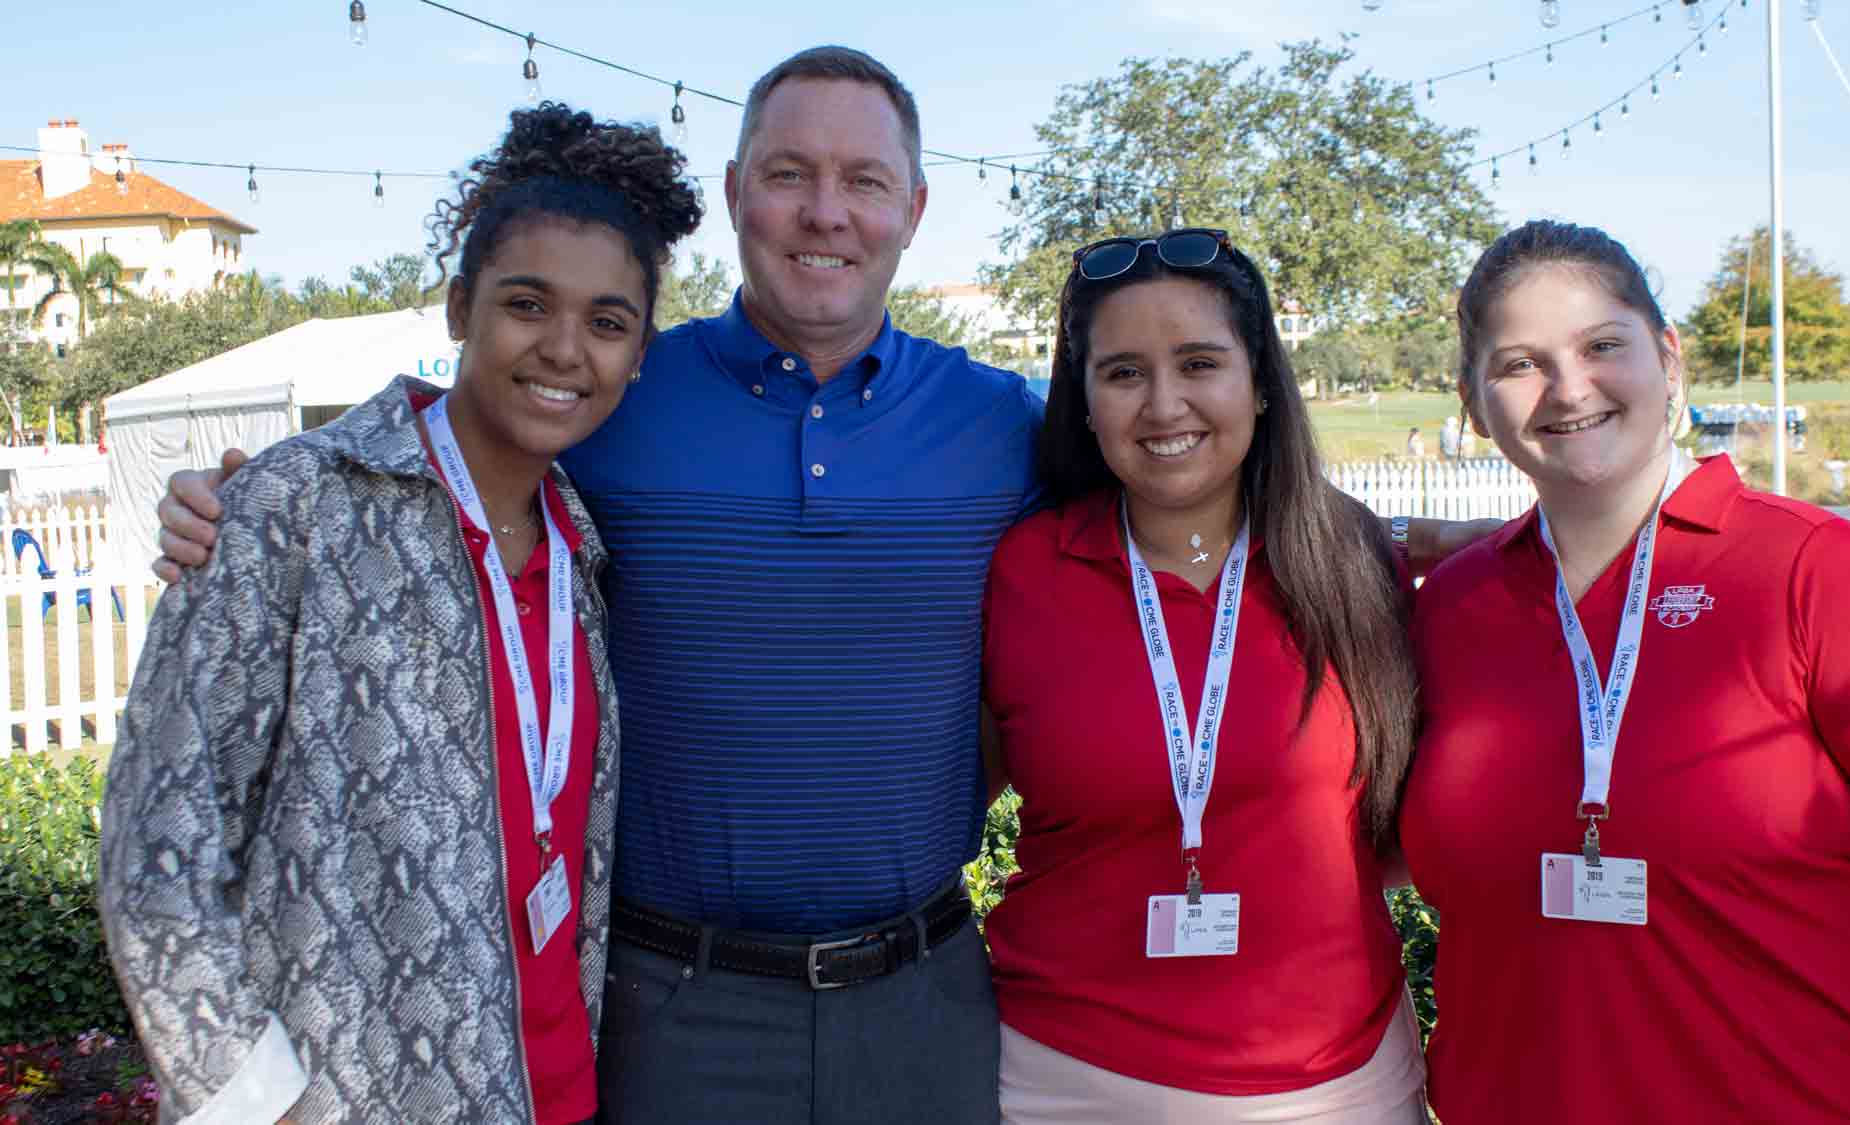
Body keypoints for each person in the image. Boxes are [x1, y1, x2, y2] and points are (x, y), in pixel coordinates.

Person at [150, 47, 1492, 1124]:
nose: (825, 211)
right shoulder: (614, 382)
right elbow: (459, 446)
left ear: (913, 208)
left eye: (863, 179)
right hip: (671, 1004)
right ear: (737, 195)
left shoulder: (1003, 427)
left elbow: (1186, 468)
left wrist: (1413, 537)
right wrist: (248, 499)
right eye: (790, 174)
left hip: (926, 999)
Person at [98, 102, 702, 1125]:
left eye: (606, 322)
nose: (563, 348)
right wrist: (260, 1107)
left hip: (557, 1095)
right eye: (525, 304)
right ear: (460, 306)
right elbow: (158, 853)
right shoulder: (294, 510)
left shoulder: (584, 552)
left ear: (639, 353)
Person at [1399, 220, 1850, 1122]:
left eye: (1603, 345)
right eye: (1519, 363)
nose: (1569, 388)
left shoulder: (1815, 573)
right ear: (1471, 400)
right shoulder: (1453, 608)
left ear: (1669, 359)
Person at [982, 228, 1427, 1123]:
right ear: (1085, 402)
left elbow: (1415, 817)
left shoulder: (1351, 560)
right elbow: (951, 796)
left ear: (1259, 383)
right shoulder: (1024, 568)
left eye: (1198, 363)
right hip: (1064, 1078)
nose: (1163, 404)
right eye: (1122, 373)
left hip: (1332, 1082)